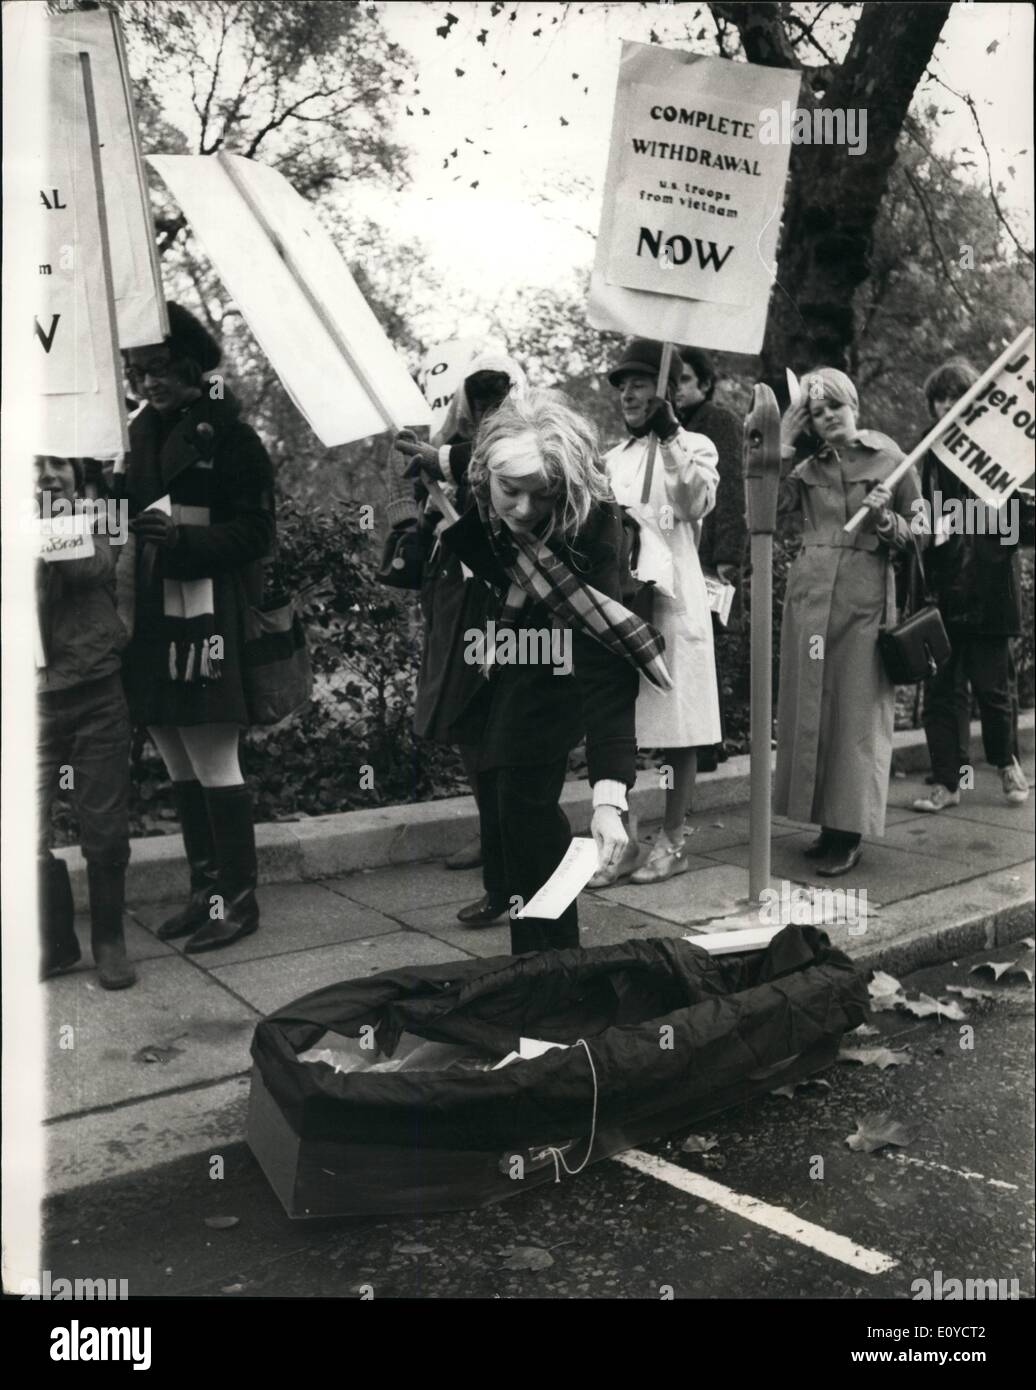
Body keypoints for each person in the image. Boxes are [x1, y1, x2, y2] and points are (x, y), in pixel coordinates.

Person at [437, 389, 669, 954]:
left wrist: (609, 801)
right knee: (500, 794)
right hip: (504, 648)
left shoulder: (593, 528)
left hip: (569, 657)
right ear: (486, 473)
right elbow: (465, 457)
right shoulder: (483, 480)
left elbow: (607, 666)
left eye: (539, 496)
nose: (520, 510)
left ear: (564, 485)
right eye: (508, 491)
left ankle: (554, 970)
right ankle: (526, 945)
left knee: (526, 806)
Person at [122, 303, 276, 953]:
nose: (148, 382)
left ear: (190, 365)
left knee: (214, 757)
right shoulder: (135, 433)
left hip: (206, 611)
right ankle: (204, 891)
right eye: (137, 371)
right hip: (149, 610)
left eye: (159, 367)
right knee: (175, 754)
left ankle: (237, 900)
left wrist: (183, 538)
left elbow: (257, 533)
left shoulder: (232, 435)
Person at [776, 367, 922, 875]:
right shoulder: (804, 466)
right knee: (812, 703)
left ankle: (849, 830)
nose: (828, 416)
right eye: (817, 412)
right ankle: (824, 823)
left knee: (855, 710)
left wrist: (885, 519)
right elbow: (765, 512)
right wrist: (784, 442)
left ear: (853, 404)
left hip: (863, 597)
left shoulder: (892, 459)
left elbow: (919, 533)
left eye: (835, 405)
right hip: (810, 595)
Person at [394, 351, 527, 907]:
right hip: (459, 603)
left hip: (508, 607)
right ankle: (494, 846)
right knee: (471, 729)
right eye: (480, 407)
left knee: (505, 731)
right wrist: (425, 485)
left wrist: (441, 457)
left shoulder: (524, 446)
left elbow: (501, 464)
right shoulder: (454, 446)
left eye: (497, 405)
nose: (489, 418)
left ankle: (514, 856)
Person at [598, 338, 721, 886]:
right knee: (615, 722)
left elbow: (695, 502)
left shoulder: (695, 445)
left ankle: (674, 839)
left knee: (677, 727)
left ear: (666, 389)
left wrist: (671, 438)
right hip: (620, 605)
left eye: (640, 383)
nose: (627, 392)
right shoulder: (609, 459)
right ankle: (622, 840)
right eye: (621, 385)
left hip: (672, 605)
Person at [912, 358, 1032, 811]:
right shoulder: (929, 456)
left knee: (992, 689)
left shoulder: (1004, 453)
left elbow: (1017, 525)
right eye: (938, 399)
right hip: (943, 593)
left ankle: (1006, 764)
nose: (945, 405)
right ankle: (948, 781)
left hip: (989, 591)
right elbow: (925, 518)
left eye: (954, 396)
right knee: (942, 691)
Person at [36, 455, 136, 989]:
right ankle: (54, 944)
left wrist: (48, 519)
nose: (47, 474)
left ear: (77, 469)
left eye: (57, 464)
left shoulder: (109, 510)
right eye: (35, 465)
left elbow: (92, 567)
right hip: (29, 700)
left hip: (96, 692)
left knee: (103, 823)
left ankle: (109, 941)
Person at [675, 345, 747, 774]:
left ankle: (708, 743)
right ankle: (698, 740)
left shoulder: (718, 422)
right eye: (674, 381)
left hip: (708, 558)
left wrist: (727, 558)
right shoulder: (675, 425)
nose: (677, 389)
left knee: (706, 648)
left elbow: (732, 491)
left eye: (685, 380)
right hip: (683, 553)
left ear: (703, 383)